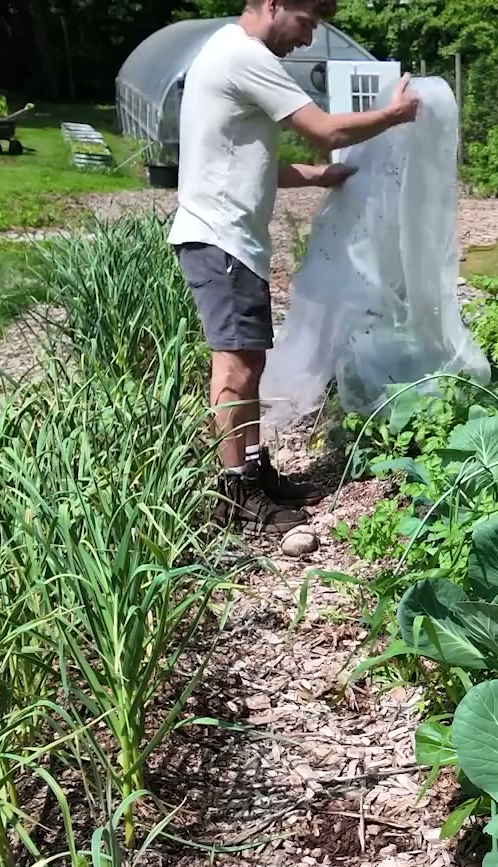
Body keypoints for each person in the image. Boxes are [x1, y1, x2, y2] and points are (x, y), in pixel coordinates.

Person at [170, 0, 420, 534]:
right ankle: (236, 492)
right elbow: (325, 130)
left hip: (226, 239)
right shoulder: (245, 56)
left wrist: (316, 178)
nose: (307, 39)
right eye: (306, 22)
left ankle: (255, 472)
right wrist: (393, 116)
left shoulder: (224, 52)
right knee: (235, 369)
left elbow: (243, 160)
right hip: (221, 240)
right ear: (273, 4)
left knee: (251, 364)